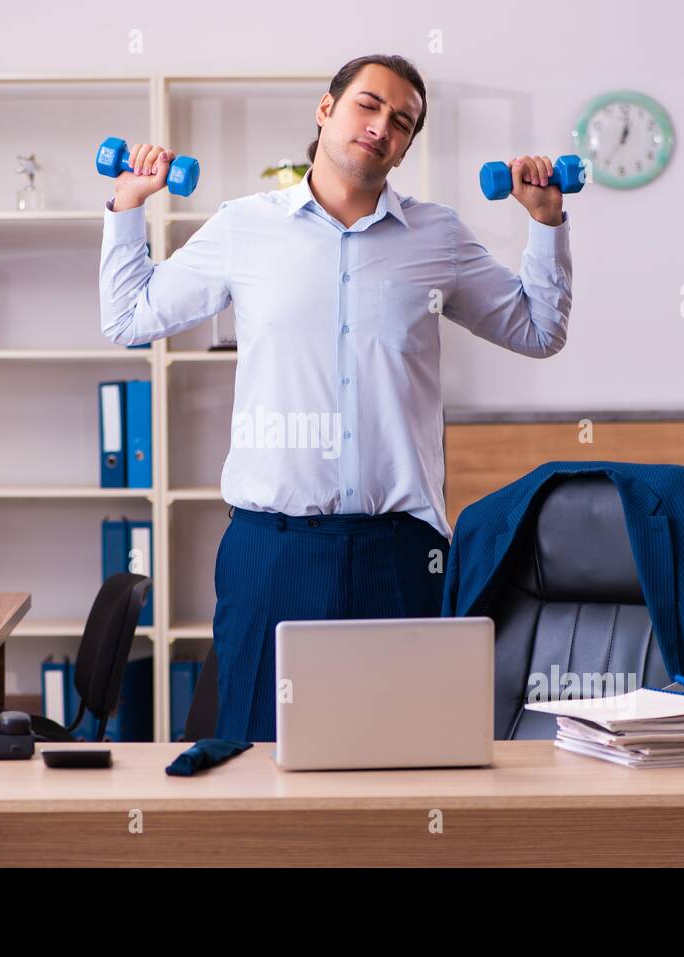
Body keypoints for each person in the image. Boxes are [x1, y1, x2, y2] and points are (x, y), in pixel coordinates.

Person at [100, 53, 572, 741]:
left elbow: (538, 330)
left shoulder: (436, 236)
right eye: (369, 105)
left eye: (402, 121)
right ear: (326, 110)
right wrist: (126, 207)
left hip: (403, 552)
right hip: (273, 549)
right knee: (257, 760)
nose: (383, 126)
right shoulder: (244, 227)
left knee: (405, 755)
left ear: (407, 145)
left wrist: (545, 224)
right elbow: (130, 319)